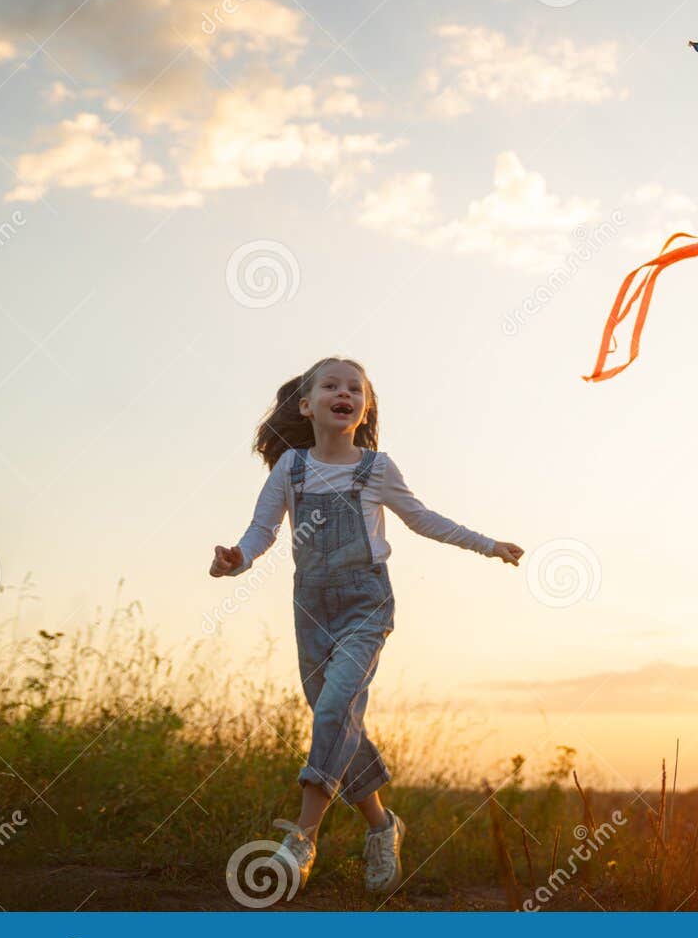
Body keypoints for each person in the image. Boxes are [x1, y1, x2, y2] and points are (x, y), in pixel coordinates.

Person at [209, 356, 523, 900]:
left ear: (365, 407)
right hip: (310, 608)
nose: (344, 392)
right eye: (331, 385)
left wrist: (488, 545)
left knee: (333, 711)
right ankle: (382, 827)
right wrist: (234, 561)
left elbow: (423, 519)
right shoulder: (291, 469)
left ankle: (302, 839)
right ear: (307, 406)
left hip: (365, 606)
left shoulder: (376, 468)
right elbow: (259, 534)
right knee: (339, 723)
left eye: (355, 388)